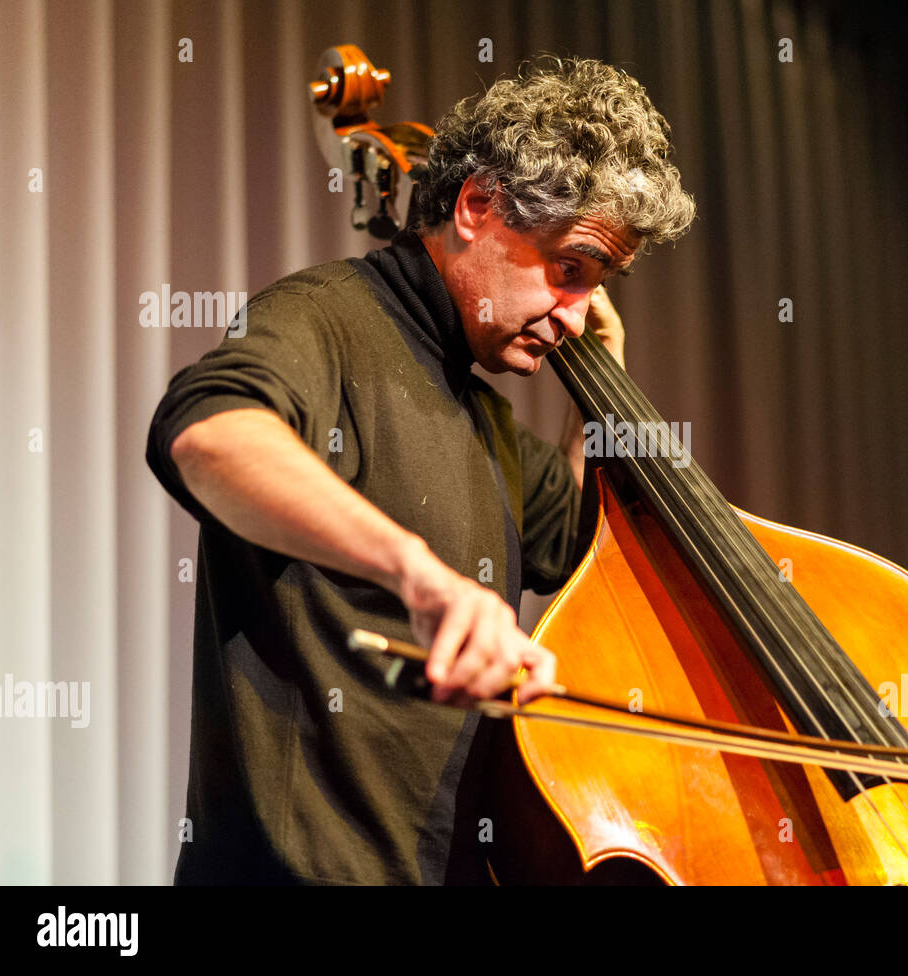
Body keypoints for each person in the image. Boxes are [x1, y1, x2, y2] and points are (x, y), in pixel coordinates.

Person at [145, 56, 695, 884]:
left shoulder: (486, 416)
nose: (575, 314)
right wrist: (418, 575)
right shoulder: (326, 317)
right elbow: (210, 435)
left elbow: (585, 554)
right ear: (477, 206)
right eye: (568, 268)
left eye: (599, 285)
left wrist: (604, 383)